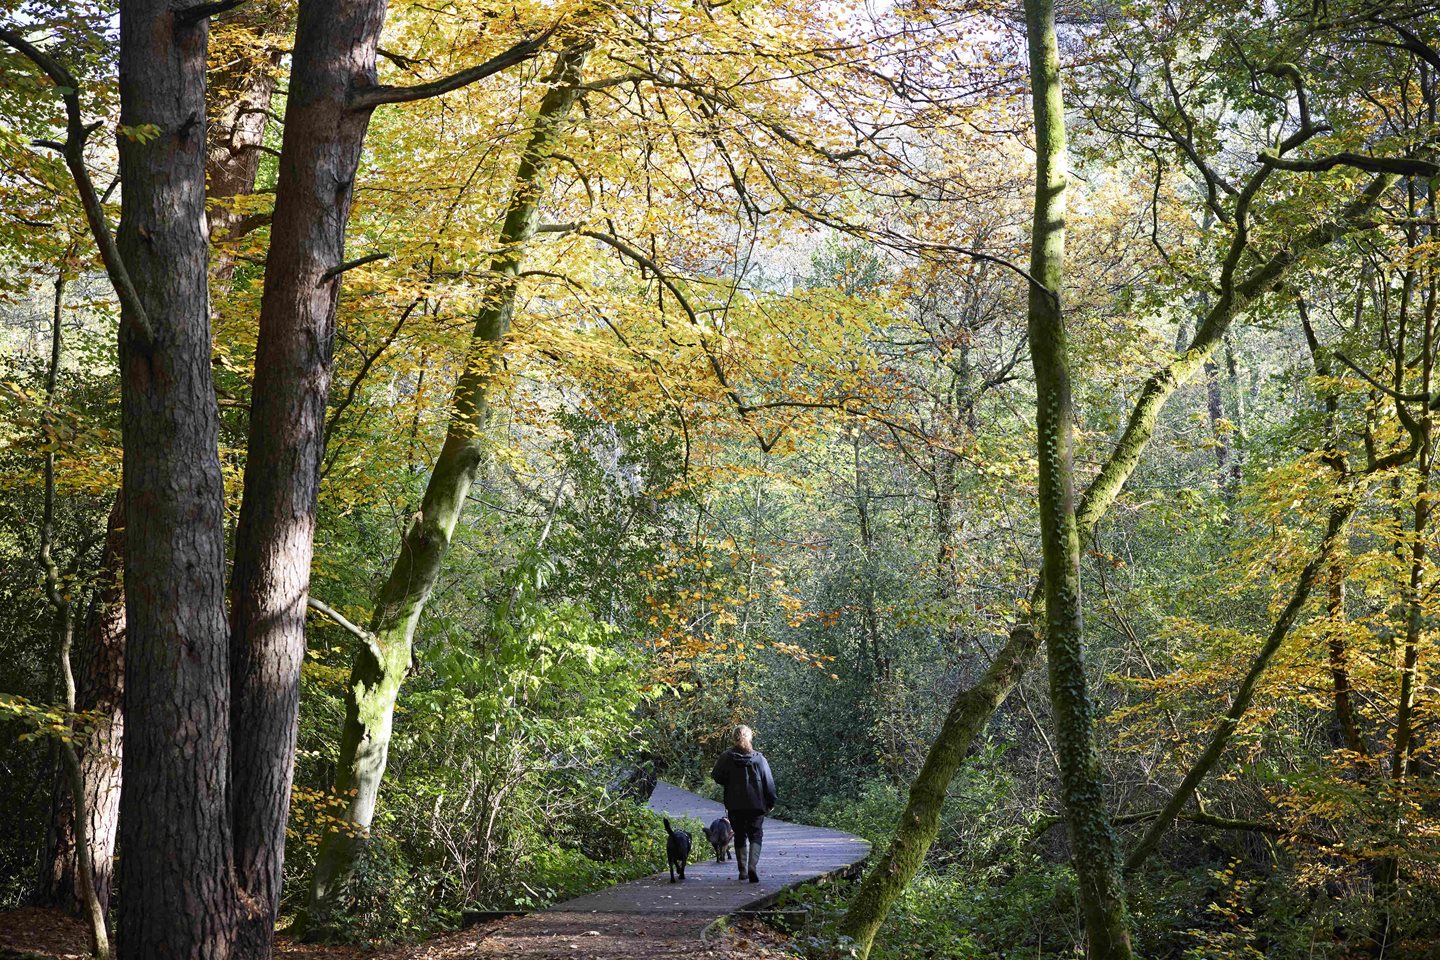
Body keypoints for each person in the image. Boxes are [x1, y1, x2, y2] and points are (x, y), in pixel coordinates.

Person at [710, 724, 777, 883]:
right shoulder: (759, 759)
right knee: (756, 834)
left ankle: (742, 871)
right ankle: (752, 866)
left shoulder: (726, 757)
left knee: (739, 835)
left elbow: (717, 776)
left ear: (734, 738)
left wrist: (729, 780)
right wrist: (771, 801)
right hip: (756, 804)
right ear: (750, 738)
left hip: (735, 804)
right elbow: (769, 783)